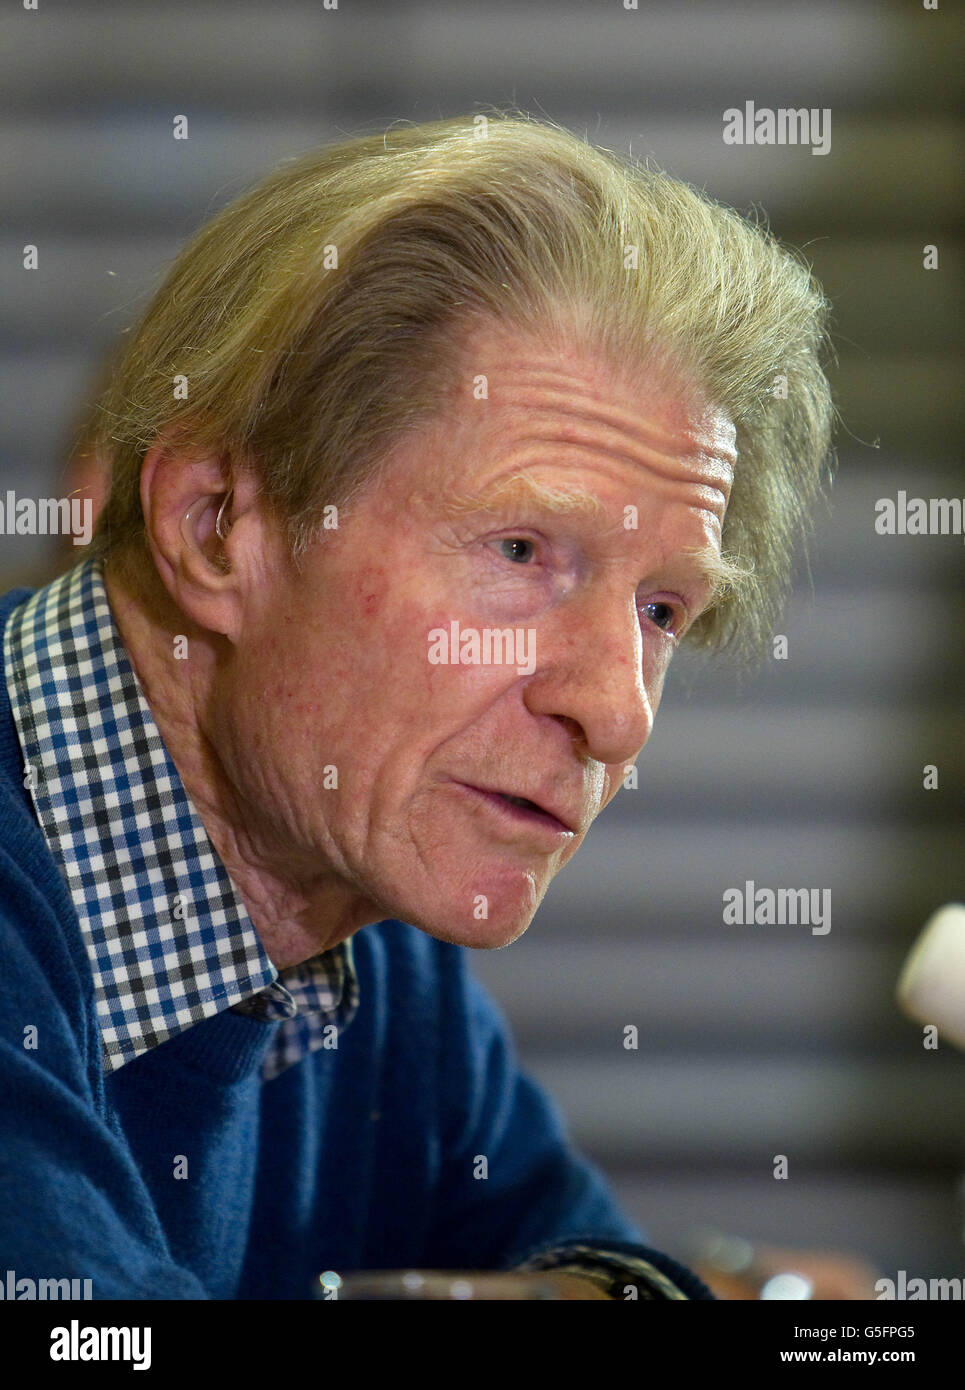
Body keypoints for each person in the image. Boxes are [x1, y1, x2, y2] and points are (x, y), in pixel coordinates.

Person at [0, 114, 847, 1301]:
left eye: (661, 610)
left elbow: (604, 1267)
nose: (616, 713)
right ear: (216, 525)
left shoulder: (358, 902)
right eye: (518, 548)